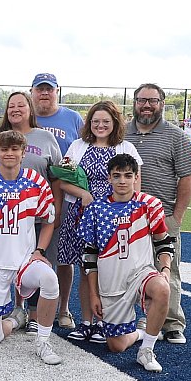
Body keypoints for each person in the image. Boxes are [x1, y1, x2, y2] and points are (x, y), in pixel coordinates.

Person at [0, 130, 63, 365]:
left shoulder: (36, 181)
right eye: (5, 149)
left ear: (23, 152)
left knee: (50, 279)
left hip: (23, 262)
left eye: (14, 149)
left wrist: (39, 251)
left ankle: (43, 341)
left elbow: (50, 219)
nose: (10, 153)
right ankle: (17, 318)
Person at [76, 153, 176, 373]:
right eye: (117, 175)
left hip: (141, 272)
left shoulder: (149, 204)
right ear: (109, 178)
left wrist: (165, 269)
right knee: (116, 346)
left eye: (128, 175)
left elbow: (163, 241)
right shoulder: (96, 209)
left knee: (161, 288)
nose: (122, 180)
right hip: (111, 281)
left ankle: (146, 350)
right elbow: (89, 257)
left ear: (136, 177)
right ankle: (143, 332)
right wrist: (94, 294)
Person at [56, 101, 142, 344]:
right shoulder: (77, 146)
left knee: (111, 270)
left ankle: (108, 322)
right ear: (89, 123)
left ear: (115, 123)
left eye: (106, 121)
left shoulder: (126, 147)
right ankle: (86, 322)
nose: (100, 125)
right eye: (95, 121)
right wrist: (84, 194)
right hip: (81, 213)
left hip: (115, 217)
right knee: (87, 268)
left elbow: (136, 185)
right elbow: (62, 180)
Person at [126, 82, 191, 344]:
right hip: (127, 217)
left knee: (168, 269)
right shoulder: (121, 133)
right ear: (134, 103)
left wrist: (176, 216)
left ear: (162, 104)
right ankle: (126, 319)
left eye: (152, 101)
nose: (146, 105)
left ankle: (171, 322)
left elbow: (187, 177)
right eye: (142, 100)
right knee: (125, 268)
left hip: (162, 214)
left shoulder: (176, 136)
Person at [29, 73, 85, 328]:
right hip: (26, 199)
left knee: (62, 257)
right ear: (32, 92)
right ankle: (25, 308)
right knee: (24, 254)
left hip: (63, 196)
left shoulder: (72, 118)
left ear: (56, 91)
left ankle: (63, 308)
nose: (44, 93)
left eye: (48, 89)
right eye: (39, 89)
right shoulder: (25, 116)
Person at [0, 92, 62, 177]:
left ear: (31, 110)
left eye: (21, 106)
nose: (15, 109)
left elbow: (57, 178)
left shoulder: (46, 137)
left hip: (38, 190)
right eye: (11, 106)